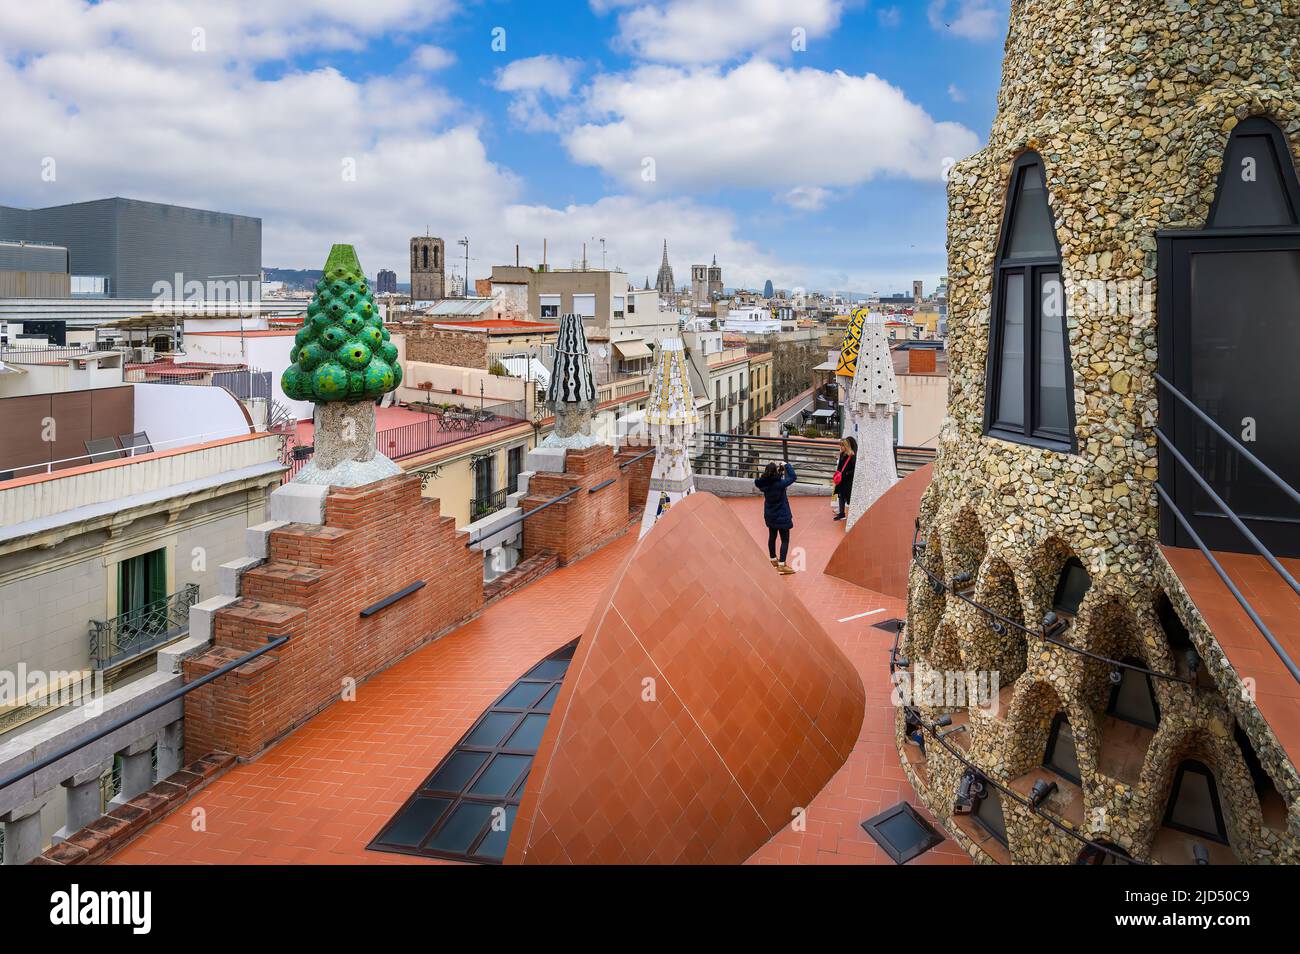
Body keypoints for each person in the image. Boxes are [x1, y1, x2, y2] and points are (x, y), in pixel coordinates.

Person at [755, 460, 797, 575]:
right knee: (785, 540)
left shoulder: (764, 483)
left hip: (770, 514)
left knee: (772, 536)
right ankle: (782, 566)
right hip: (782, 515)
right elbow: (793, 477)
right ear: (775, 472)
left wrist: (779, 472)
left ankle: (773, 560)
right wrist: (786, 465)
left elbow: (772, 479)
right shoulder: (780, 484)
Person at [833, 436, 857, 522]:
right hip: (841, 480)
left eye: (842, 446)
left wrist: (846, 474)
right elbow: (840, 467)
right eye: (840, 446)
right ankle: (842, 514)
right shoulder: (842, 454)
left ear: (846, 446)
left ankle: (853, 515)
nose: (841, 447)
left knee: (849, 498)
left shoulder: (851, 456)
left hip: (847, 481)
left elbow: (853, 469)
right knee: (841, 496)